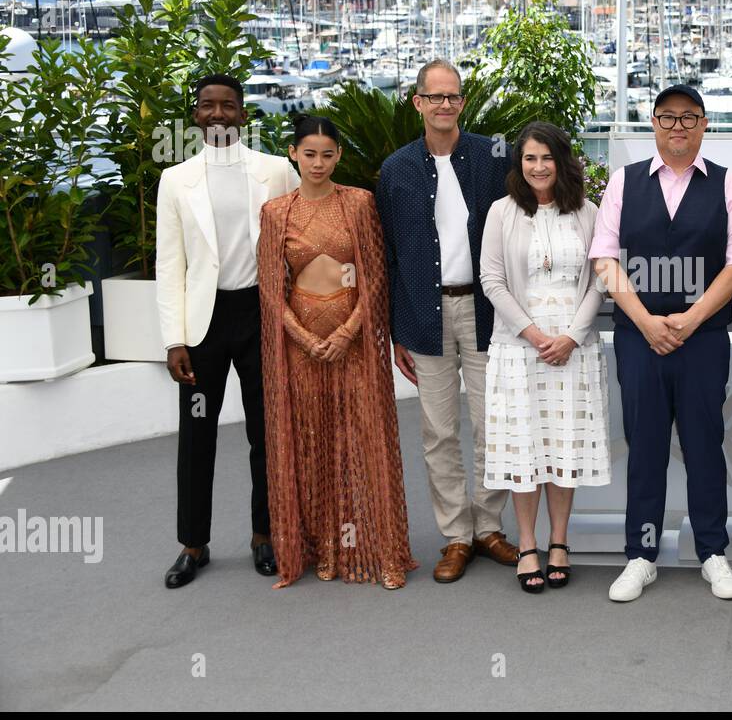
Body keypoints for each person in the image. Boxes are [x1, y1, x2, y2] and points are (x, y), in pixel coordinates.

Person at [591, 83, 732, 603]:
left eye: (689, 117)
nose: (678, 126)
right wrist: (644, 321)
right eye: (668, 117)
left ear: (704, 124)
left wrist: (691, 319)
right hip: (639, 336)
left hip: (703, 336)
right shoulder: (623, 182)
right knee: (645, 444)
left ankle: (713, 552)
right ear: (654, 124)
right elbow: (605, 259)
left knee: (706, 441)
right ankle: (642, 556)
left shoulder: (728, 185)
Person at [256, 116, 418, 590]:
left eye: (328, 154)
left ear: (339, 156)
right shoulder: (275, 212)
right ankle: (325, 549)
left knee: (363, 442)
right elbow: (270, 286)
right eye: (310, 154)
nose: (319, 163)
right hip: (300, 348)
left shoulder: (359, 203)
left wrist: (349, 331)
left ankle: (381, 552)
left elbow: (373, 277)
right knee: (314, 445)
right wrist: (303, 337)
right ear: (293, 154)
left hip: (355, 345)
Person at [375, 59, 519, 583]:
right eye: (434, 97)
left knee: (491, 424)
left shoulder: (491, 155)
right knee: (438, 430)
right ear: (417, 103)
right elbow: (388, 255)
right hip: (423, 313)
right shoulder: (395, 170)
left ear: (462, 102)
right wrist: (396, 331)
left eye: (453, 97)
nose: (444, 105)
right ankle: (456, 536)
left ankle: (490, 528)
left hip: (485, 309)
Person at [156, 73, 300, 588]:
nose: (217, 114)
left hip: (261, 316)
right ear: (195, 114)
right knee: (197, 436)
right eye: (207, 106)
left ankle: (266, 535)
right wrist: (175, 338)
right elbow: (169, 266)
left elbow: (295, 247)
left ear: (243, 113)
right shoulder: (176, 180)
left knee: (267, 434)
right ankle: (193, 545)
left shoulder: (277, 172)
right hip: (204, 324)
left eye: (228, 106)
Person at [480, 121, 611, 593]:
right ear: (519, 163)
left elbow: (602, 279)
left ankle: (559, 541)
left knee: (563, 446)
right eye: (530, 158)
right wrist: (536, 335)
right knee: (525, 448)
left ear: (563, 161)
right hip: (520, 348)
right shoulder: (501, 212)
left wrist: (573, 336)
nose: (538, 167)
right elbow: (492, 280)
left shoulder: (589, 212)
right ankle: (528, 543)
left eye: (547, 157)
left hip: (573, 349)